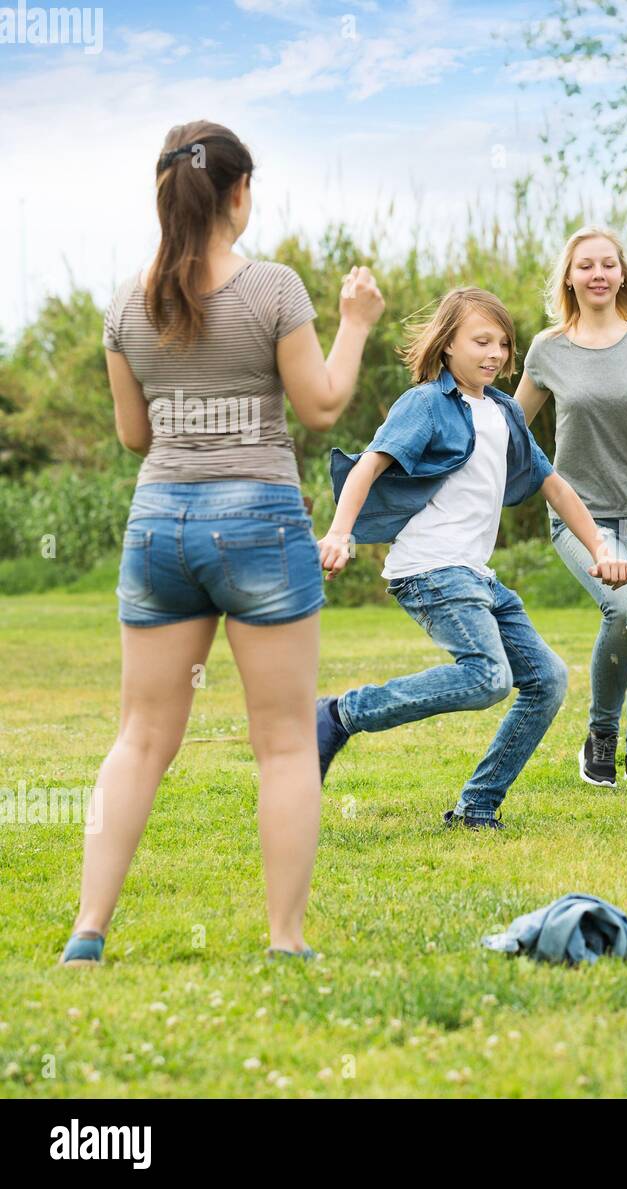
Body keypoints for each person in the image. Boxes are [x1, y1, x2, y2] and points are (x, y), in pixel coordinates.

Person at [60, 120, 384, 967]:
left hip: (158, 522)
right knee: (282, 742)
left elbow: (135, 435)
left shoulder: (126, 304)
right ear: (238, 192)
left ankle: (88, 932)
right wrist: (355, 322)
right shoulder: (272, 287)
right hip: (260, 523)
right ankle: (284, 941)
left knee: (138, 737)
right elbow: (319, 406)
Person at [315, 287, 627, 829]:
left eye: (503, 344)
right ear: (446, 346)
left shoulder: (505, 411)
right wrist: (340, 533)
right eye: (481, 341)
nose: (495, 354)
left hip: (476, 576)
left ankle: (477, 806)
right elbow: (367, 467)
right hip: (431, 569)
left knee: (547, 680)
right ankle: (340, 714)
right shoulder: (425, 404)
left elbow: (554, 485)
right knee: (487, 677)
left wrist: (601, 545)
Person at [513, 226, 627, 788]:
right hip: (583, 514)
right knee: (626, 611)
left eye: (608, 265)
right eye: (586, 265)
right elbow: (511, 430)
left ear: (622, 273)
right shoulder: (548, 349)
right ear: (569, 276)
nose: (598, 275)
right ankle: (601, 737)